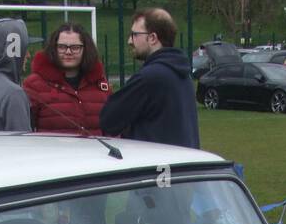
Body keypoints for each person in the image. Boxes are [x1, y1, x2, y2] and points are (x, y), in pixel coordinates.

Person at [99, 8, 199, 148]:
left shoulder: (150, 77)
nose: (129, 40)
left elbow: (109, 120)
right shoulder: (182, 73)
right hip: (181, 164)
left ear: (152, 38)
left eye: (134, 34)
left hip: (156, 165)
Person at [22, 22, 112, 134]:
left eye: (75, 47)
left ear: (86, 49)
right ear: (54, 48)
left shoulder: (100, 84)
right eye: (62, 47)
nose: (68, 52)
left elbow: (113, 128)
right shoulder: (34, 85)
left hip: (95, 151)